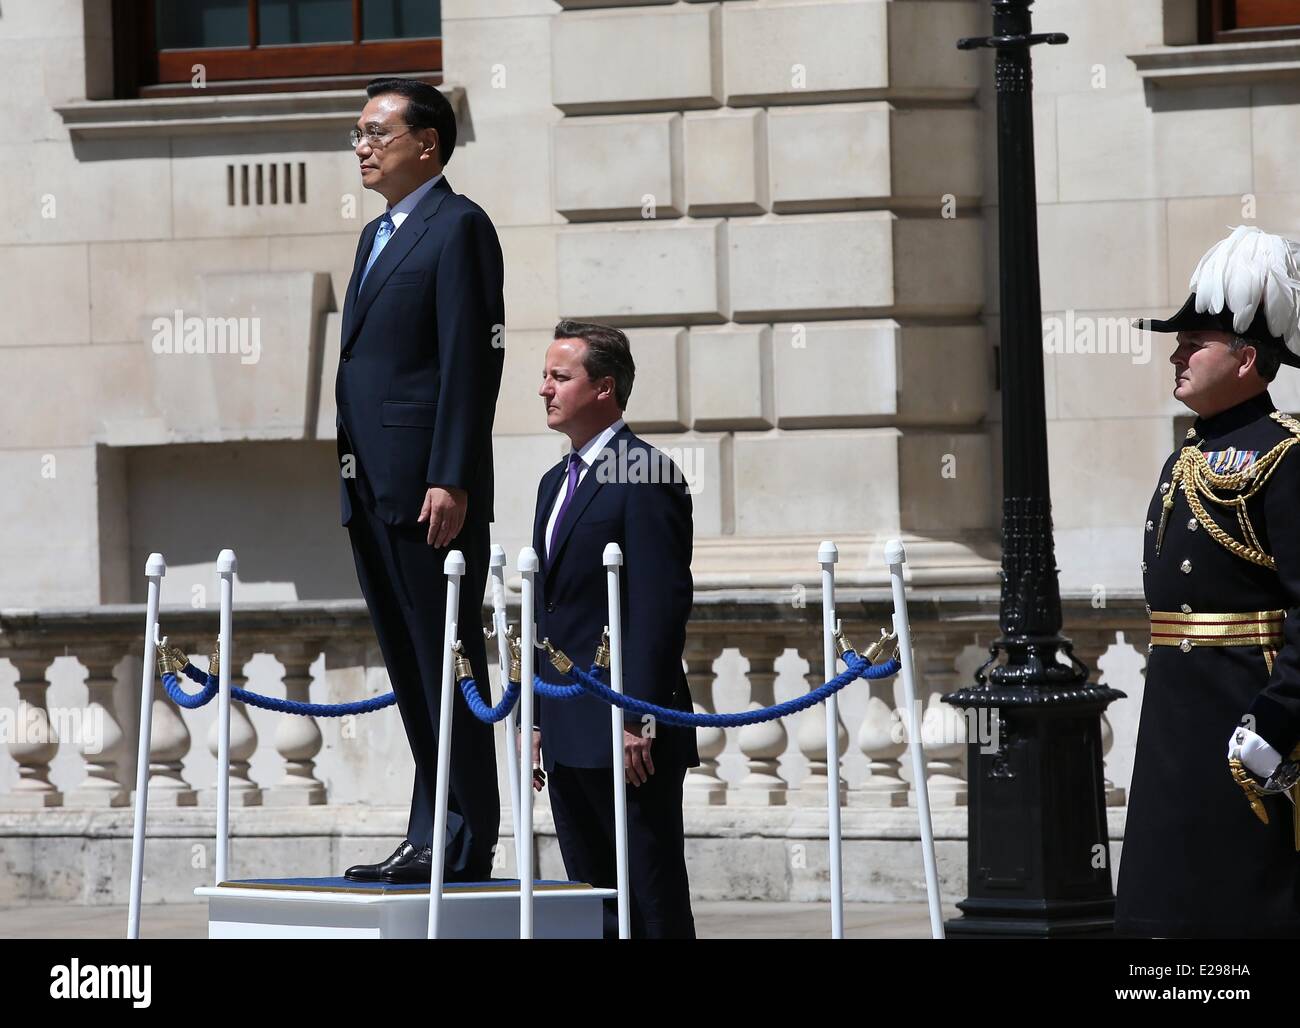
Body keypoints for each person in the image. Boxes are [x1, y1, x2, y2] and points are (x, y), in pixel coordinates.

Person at [335, 78, 504, 884]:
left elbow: (472, 360)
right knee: (410, 669)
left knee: (449, 662)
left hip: (432, 492)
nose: (362, 146)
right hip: (370, 487)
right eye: (358, 133)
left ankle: (465, 837)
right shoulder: (374, 236)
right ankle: (428, 829)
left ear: (427, 143)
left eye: (377, 132)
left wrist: (453, 475)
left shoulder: (459, 226)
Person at [1117, 225, 1300, 936]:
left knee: (1242, 908)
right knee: (1167, 911)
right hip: (1176, 719)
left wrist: (1276, 719)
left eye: (1196, 341)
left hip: (1243, 716)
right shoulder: (1186, 458)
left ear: (1248, 357)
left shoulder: (1284, 457)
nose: (1176, 353)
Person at [530, 319, 699, 938]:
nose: (544, 389)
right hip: (569, 723)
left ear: (603, 388)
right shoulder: (554, 485)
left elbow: (660, 605)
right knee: (593, 902)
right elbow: (547, 612)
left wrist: (638, 718)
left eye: (559, 376)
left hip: (628, 730)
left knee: (650, 899)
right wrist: (535, 718)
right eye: (544, 376)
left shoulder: (646, 474)